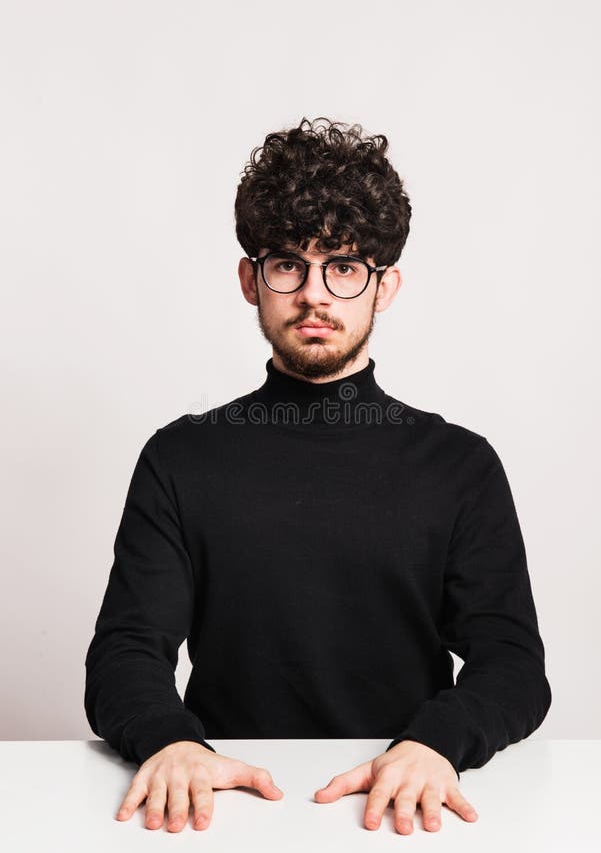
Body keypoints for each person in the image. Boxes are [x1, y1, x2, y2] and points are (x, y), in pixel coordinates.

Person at [84, 116, 552, 836]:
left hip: (402, 807)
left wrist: (435, 745)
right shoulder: (179, 459)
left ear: (383, 286)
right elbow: (126, 651)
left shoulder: (458, 465)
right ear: (251, 280)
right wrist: (169, 741)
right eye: (287, 265)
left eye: (344, 266)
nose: (314, 294)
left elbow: (512, 664)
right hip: (228, 806)